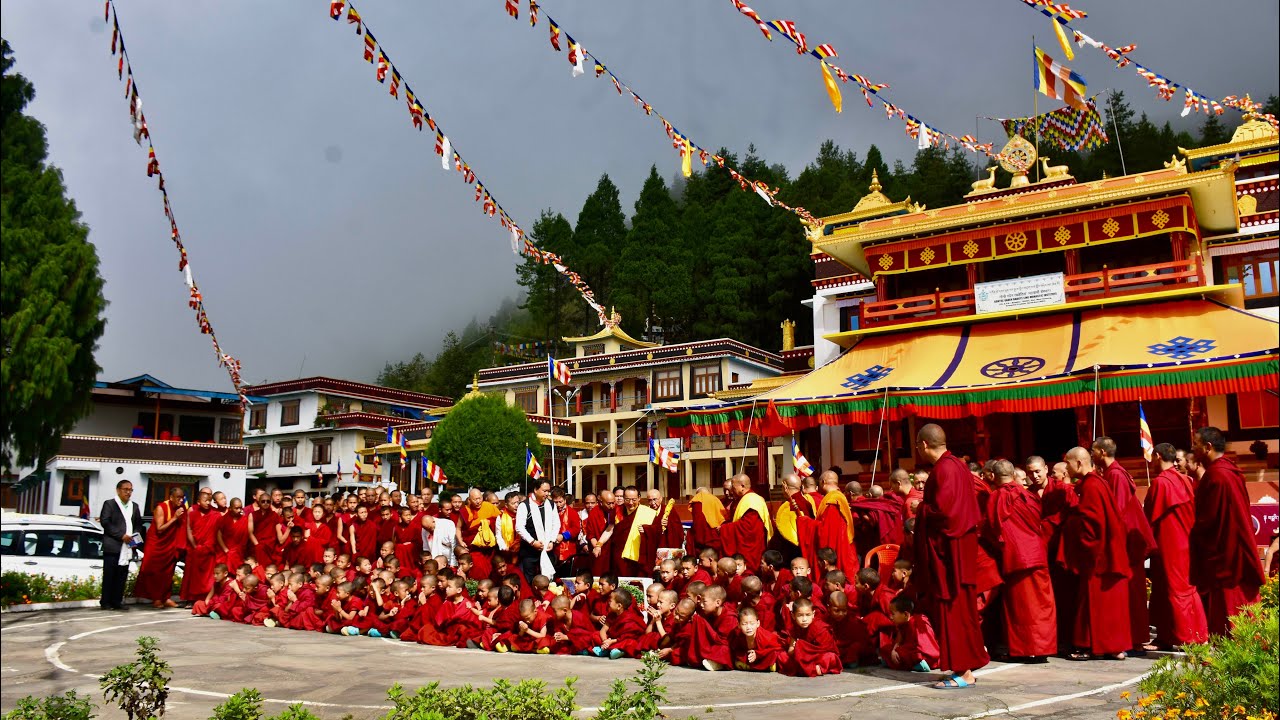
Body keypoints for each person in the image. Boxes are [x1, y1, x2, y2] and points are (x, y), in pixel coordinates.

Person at [908, 424, 988, 689]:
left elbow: (947, 514)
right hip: (956, 551)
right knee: (959, 611)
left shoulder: (945, 469)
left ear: (923, 445)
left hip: (950, 555)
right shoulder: (956, 465)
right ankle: (964, 668)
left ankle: (963, 672)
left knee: (953, 611)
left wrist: (921, 509)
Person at [1189, 427, 1266, 635]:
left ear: (1207, 447)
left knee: (1233, 616)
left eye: (1196, 444)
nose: (1192, 448)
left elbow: (1212, 523)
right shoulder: (1228, 471)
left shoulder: (1218, 477)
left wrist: (1196, 536)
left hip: (1228, 559)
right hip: (1233, 553)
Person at [1061, 447, 1130, 661]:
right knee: (1109, 605)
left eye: (1068, 463)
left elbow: (1092, 524)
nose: (1066, 467)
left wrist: (1074, 532)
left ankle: (1093, 645)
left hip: (1098, 555)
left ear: (1079, 463)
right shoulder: (1097, 482)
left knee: (1096, 603)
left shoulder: (1092, 486)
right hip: (1109, 551)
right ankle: (1114, 647)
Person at [983, 460, 1056, 661]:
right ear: (1014, 476)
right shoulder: (1028, 495)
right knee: (1042, 606)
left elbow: (991, 528)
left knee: (1021, 608)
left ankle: (1025, 650)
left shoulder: (997, 497)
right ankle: (1043, 650)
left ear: (993, 477)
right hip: (1037, 554)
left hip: (1016, 558)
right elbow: (1037, 520)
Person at [1092, 436, 1156, 652]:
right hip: (1125, 540)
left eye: (1093, 451)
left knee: (1133, 590)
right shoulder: (1111, 473)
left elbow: (1116, 511)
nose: (1092, 455)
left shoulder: (1116, 475)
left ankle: (1136, 637)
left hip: (1127, 541)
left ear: (1101, 452)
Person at [1144, 442, 1208, 648]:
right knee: (1178, 588)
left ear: (1158, 456)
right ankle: (1173, 635)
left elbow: (1151, 517)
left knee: (1174, 589)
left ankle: (1186, 636)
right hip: (1185, 541)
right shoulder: (1186, 479)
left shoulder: (1161, 483)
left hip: (1169, 544)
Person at [134, 486, 188, 608]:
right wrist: (175, 518)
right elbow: (159, 529)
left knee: (169, 572)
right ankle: (156, 598)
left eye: (182, 498)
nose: (180, 501)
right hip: (157, 545)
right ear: (171, 497)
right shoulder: (161, 508)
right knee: (155, 573)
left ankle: (166, 597)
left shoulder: (181, 508)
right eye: (178, 498)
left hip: (171, 545)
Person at [99, 480, 144, 611]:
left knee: (121, 575)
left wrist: (134, 538)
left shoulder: (134, 506)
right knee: (109, 575)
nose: (128, 492)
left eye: (130, 490)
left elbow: (138, 524)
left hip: (127, 546)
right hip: (113, 545)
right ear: (118, 490)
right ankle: (106, 602)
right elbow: (105, 522)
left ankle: (117, 601)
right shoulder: (110, 504)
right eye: (125, 489)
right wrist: (121, 535)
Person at [719, 474, 773, 571]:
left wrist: (724, 529)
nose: (732, 490)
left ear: (742, 486)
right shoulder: (746, 499)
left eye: (734, 487)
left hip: (752, 547)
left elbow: (748, 527)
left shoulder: (751, 500)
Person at [180, 489, 221, 604]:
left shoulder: (215, 514)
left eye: (209, 501)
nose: (208, 503)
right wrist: (194, 546)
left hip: (208, 549)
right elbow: (189, 529)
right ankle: (190, 599)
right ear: (198, 502)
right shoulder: (192, 513)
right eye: (205, 500)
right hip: (195, 549)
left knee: (207, 577)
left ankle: (204, 597)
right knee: (191, 575)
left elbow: (218, 532)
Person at [515, 481, 561, 584]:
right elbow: (519, 527)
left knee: (549, 580)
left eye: (548, 491)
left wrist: (551, 541)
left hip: (547, 548)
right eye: (544, 491)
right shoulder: (525, 505)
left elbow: (556, 524)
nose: (547, 494)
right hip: (530, 551)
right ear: (535, 490)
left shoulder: (551, 505)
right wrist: (532, 542)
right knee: (530, 579)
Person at [458, 489, 501, 580]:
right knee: (478, 568)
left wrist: (490, 522)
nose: (478, 502)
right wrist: (460, 541)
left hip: (490, 547)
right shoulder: (465, 510)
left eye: (479, 498)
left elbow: (501, 521)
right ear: (469, 500)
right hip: (474, 548)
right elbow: (458, 528)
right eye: (475, 499)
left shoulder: (489, 506)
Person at [551, 489, 580, 577]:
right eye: (556, 502)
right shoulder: (550, 512)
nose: (558, 504)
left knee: (567, 576)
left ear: (565, 500)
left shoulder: (572, 513)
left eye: (560, 501)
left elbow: (576, 529)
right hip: (553, 549)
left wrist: (563, 536)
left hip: (568, 549)